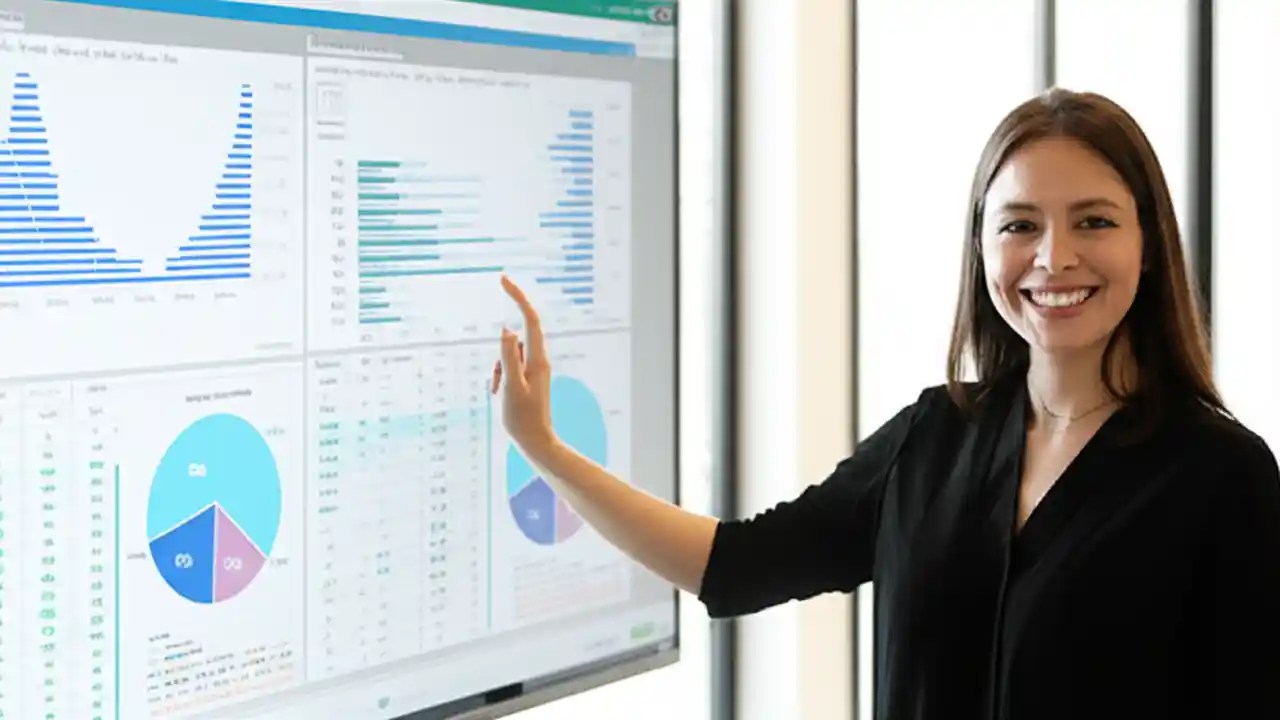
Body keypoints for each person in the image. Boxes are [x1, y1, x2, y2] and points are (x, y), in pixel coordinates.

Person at [489, 88, 1280, 720]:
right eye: (1019, 225)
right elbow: (733, 566)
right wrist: (547, 453)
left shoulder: (1221, 475)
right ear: (982, 249)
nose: (1053, 257)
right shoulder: (935, 436)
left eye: (1094, 222)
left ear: (1149, 248)